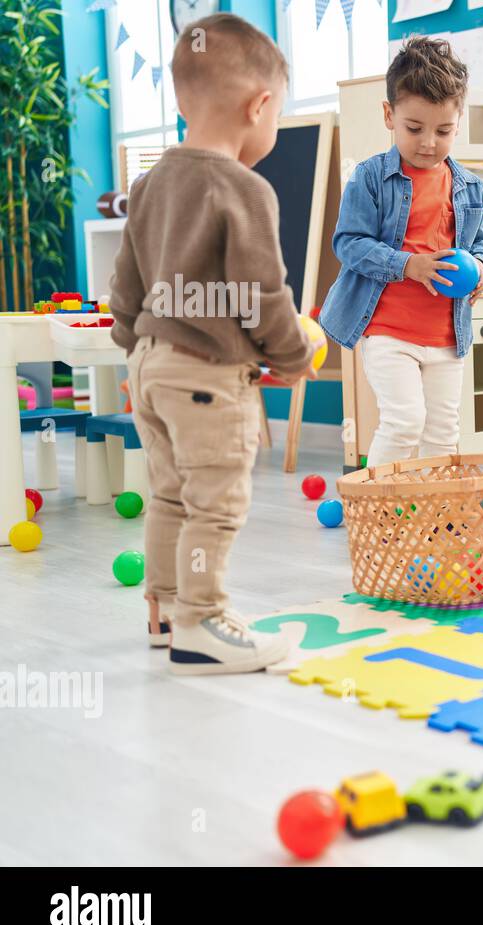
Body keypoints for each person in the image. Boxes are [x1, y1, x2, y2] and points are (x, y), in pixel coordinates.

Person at [109, 13, 314, 674]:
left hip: (150, 366)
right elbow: (262, 292)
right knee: (217, 503)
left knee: (170, 493)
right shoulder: (244, 189)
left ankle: (165, 611)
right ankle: (202, 622)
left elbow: (126, 287)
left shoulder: (149, 185)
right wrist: (293, 356)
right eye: (276, 111)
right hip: (205, 375)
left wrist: (137, 349)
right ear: (259, 106)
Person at [319, 36, 483, 466]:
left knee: (443, 431)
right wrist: (407, 265)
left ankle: (432, 523)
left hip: (446, 335)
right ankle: (380, 512)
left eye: (444, 130)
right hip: (388, 331)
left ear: (458, 123)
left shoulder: (471, 187)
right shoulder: (369, 178)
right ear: (388, 115)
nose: (429, 142)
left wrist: (480, 268)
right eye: (414, 128)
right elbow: (349, 243)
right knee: (403, 421)